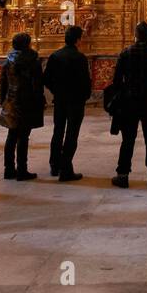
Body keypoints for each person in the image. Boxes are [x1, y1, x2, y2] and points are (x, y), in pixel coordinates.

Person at [110, 21, 147, 189]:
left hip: (129, 101)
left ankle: (123, 174)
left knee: (128, 138)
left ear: (135, 35)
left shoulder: (125, 52)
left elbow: (116, 80)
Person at [43, 26, 90, 181]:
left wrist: (57, 90)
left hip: (60, 100)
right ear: (78, 39)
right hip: (76, 101)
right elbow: (85, 82)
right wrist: (84, 96)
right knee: (71, 134)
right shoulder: (80, 58)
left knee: (58, 131)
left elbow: (47, 79)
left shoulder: (55, 56)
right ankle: (66, 169)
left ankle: (54, 165)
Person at [0, 32, 44, 180]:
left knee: (11, 135)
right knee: (23, 137)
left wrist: (2, 100)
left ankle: (9, 169)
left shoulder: (8, 60)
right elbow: (37, 84)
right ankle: (22, 170)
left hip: (11, 100)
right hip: (27, 101)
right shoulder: (33, 60)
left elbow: (3, 83)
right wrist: (39, 101)